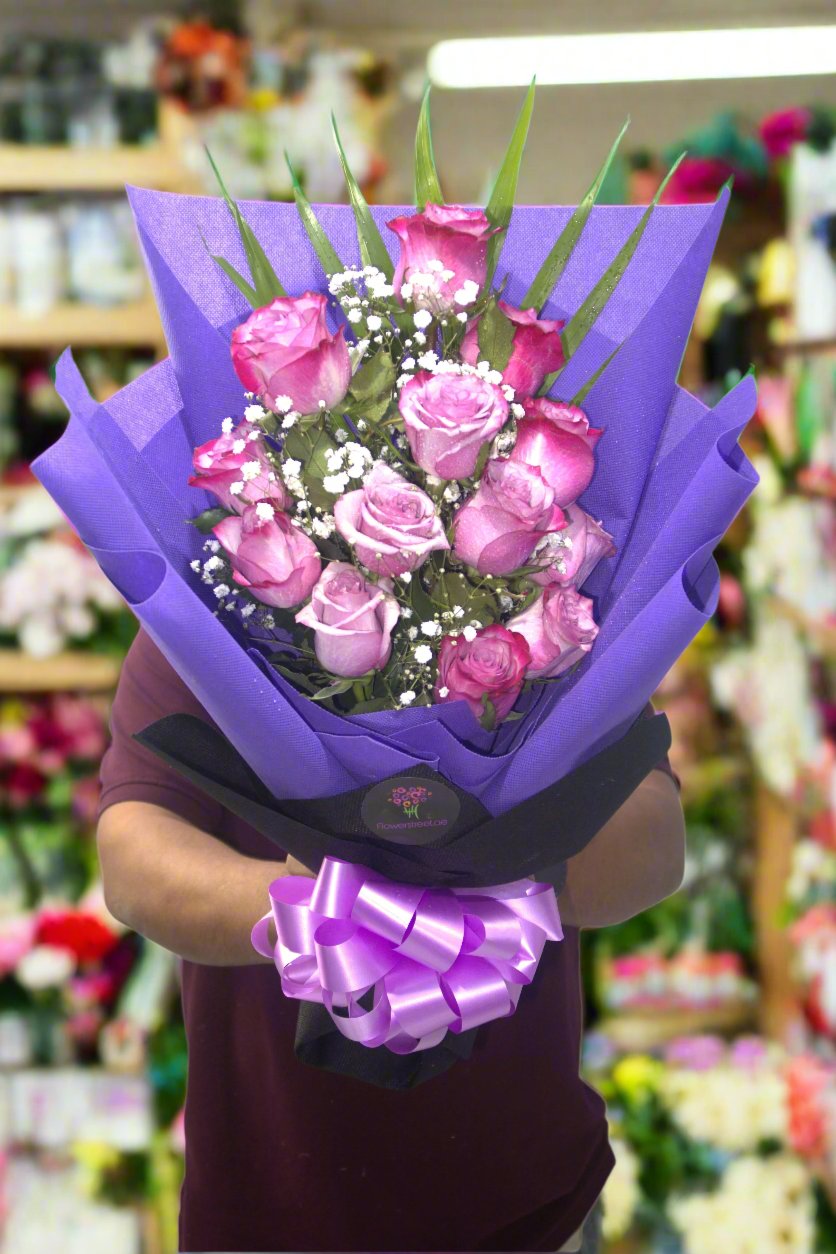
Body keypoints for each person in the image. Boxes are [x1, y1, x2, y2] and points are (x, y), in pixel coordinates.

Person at [98, 629, 685, 1254]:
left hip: (527, 1205)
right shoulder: (208, 613)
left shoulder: (545, 609)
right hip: (269, 1203)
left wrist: (487, 891)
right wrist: (331, 917)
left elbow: (654, 842)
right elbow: (135, 860)